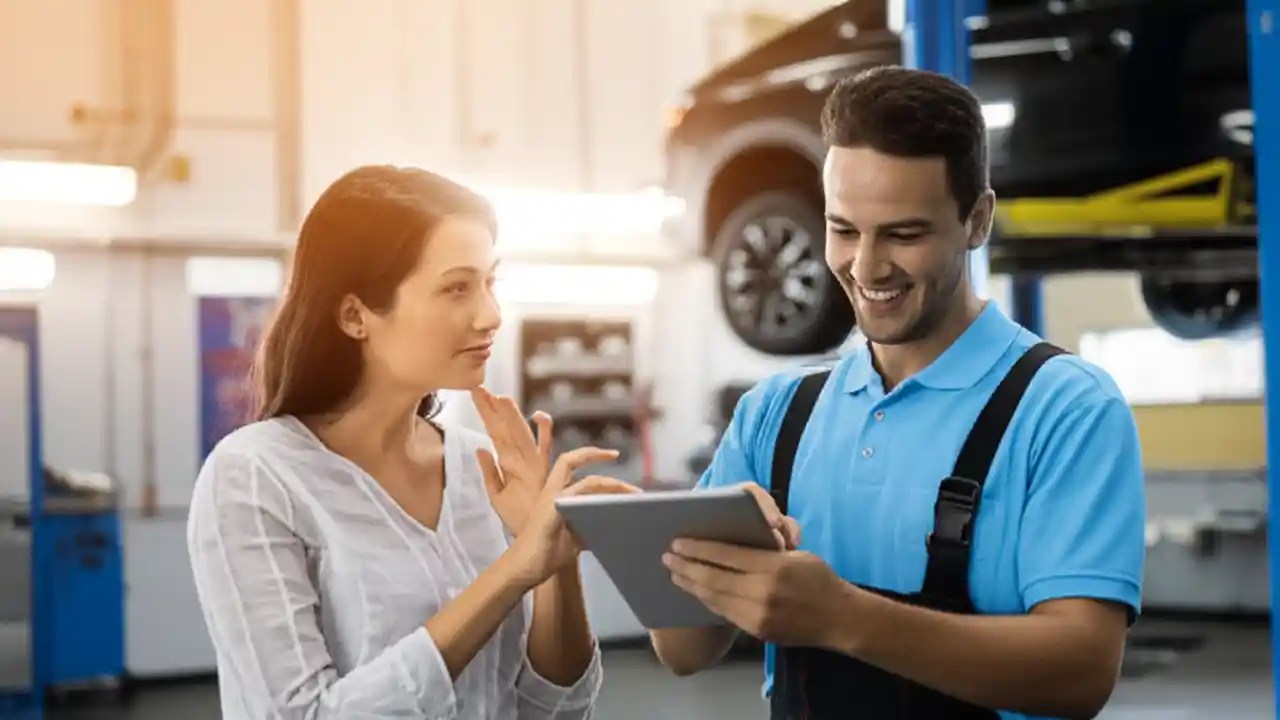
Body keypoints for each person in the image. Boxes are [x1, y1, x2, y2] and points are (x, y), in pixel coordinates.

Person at [650, 66, 1146, 720]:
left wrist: (842, 618)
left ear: (977, 221)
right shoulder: (776, 415)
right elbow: (681, 651)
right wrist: (681, 542)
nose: (865, 266)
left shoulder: (1065, 409)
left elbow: (1081, 670)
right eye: (844, 229)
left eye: (903, 234)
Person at [187, 165, 636, 719]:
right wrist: (515, 568)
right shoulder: (255, 476)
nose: (490, 315)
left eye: (490, 283)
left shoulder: (482, 469)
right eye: (456, 288)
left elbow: (556, 712)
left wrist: (553, 558)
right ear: (355, 316)